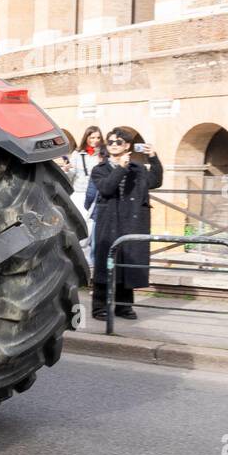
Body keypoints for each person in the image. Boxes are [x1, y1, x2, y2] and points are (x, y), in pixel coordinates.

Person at [90, 128, 162, 321]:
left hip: (131, 221)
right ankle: (99, 308)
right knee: (105, 264)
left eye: (118, 142)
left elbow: (155, 181)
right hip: (109, 221)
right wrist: (121, 168)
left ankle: (124, 307)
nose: (114, 145)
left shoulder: (137, 168)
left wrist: (153, 158)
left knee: (127, 263)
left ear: (127, 146)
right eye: (110, 142)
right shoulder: (99, 169)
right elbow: (106, 188)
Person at [70, 125, 106, 261]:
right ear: (87, 138)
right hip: (78, 194)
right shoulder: (77, 154)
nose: (95, 140)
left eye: (98, 137)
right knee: (77, 225)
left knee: (90, 227)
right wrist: (68, 170)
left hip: (95, 194)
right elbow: (71, 177)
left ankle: (88, 260)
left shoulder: (103, 154)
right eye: (92, 137)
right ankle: (77, 257)